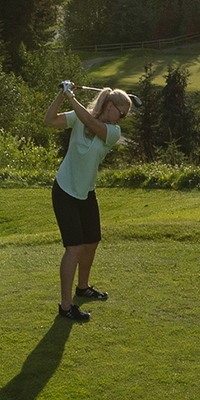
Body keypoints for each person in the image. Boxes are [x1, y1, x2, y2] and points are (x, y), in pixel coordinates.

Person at [43, 82, 132, 322]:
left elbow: (90, 122)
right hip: (64, 191)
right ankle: (65, 306)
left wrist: (71, 95)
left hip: (86, 193)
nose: (122, 119)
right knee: (74, 248)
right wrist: (61, 95)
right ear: (110, 106)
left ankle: (82, 287)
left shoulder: (112, 131)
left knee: (91, 241)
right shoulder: (78, 117)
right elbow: (49, 121)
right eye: (121, 113)